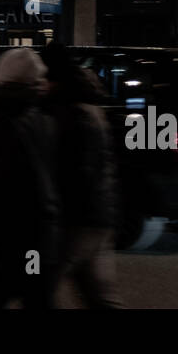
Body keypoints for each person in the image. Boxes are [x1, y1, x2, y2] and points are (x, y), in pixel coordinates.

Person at [41, 42, 122, 309]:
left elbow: (75, 171)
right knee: (99, 296)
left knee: (39, 283)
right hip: (98, 217)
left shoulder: (70, 111)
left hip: (76, 222)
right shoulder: (89, 104)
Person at [0, 47, 59, 310]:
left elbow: (10, 181)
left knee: (8, 291)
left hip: (20, 232)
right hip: (38, 232)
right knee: (34, 292)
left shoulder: (5, 120)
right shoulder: (42, 116)